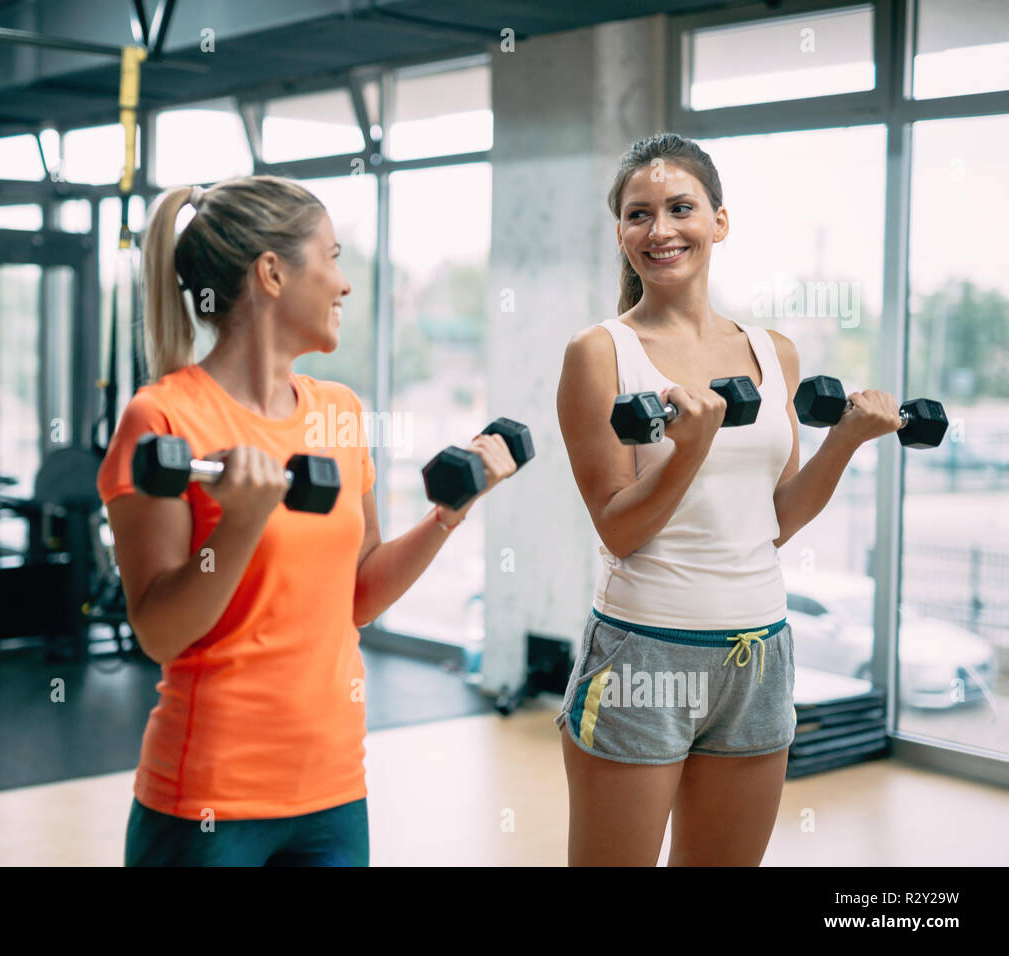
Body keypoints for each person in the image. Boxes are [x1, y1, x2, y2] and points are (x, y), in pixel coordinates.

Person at [97, 174, 518, 866]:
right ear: (271, 272)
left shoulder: (339, 412)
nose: (344, 284)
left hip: (331, 789)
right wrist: (239, 524)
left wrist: (447, 517)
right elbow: (159, 632)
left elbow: (356, 596)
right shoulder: (164, 418)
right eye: (332, 256)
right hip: (210, 796)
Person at [554, 132, 906, 866]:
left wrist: (845, 440)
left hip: (759, 652)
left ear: (719, 220)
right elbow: (620, 531)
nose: (660, 230)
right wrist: (690, 449)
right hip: (643, 651)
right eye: (637, 214)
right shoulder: (599, 353)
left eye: (681, 208)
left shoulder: (772, 350)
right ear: (619, 231)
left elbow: (774, 522)